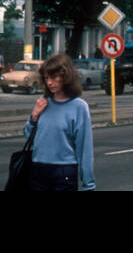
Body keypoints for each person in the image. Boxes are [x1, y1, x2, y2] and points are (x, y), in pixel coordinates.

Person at [25, 54, 95, 191]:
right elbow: (28, 135)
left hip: (64, 172)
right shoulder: (43, 101)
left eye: (53, 77)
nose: (49, 82)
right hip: (38, 170)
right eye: (46, 78)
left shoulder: (79, 107)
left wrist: (89, 183)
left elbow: (84, 148)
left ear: (65, 77)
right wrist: (34, 115)